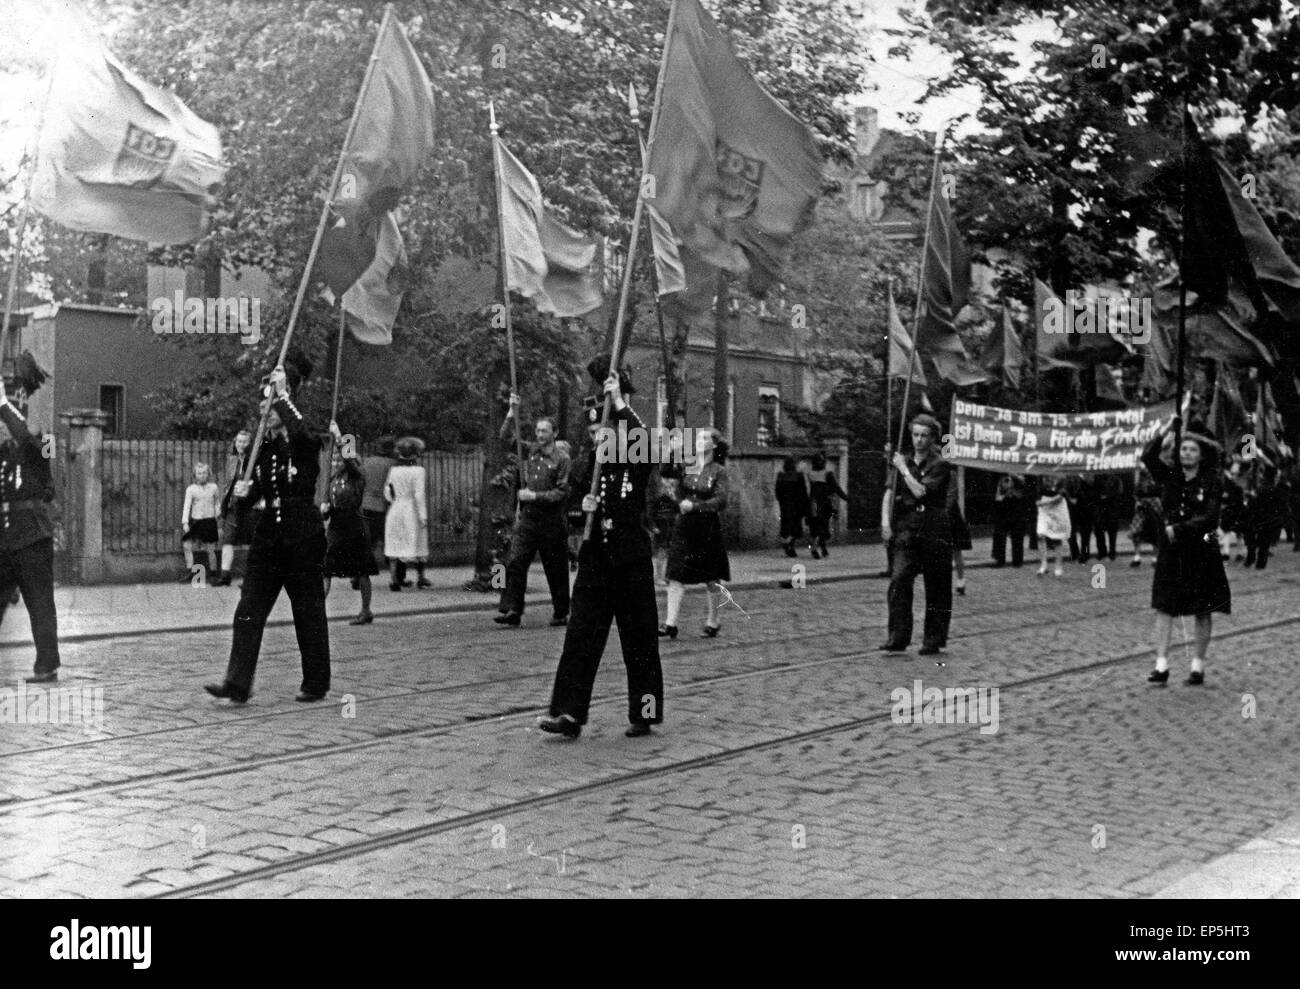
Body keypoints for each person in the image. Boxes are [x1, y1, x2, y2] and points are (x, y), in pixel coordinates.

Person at [539, 358, 663, 740]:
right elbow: (571, 501)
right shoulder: (593, 462)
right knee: (580, 636)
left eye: (602, 430)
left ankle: (644, 713)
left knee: (638, 637)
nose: (597, 438)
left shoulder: (636, 456)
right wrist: (583, 511)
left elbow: (644, 439)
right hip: (596, 557)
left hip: (630, 557)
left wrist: (620, 402)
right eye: (593, 432)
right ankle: (569, 714)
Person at [205, 361, 330, 704]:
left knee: (307, 610)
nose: (264, 411)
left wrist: (285, 395)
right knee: (248, 607)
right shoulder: (265, 448)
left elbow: (303, 436)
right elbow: (261, 491)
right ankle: (237, 683)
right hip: (269, 538)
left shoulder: (305, 441)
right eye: (262, 406)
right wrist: (247, 496)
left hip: (302, 535)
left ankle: (316, 681)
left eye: (269, 405)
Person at [1143, 419, 1230, 686]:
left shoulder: (1212, 480)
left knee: (1202, 609)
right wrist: (1167, 429)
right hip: (1172, 553)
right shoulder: (1170, 476)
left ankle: (1197, 667)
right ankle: (1161, 665)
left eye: (1192, 450)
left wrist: (1179, 529)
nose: (1187, 454)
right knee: (1164, 607)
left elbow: (1210, 517)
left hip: (1201, 551)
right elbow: (1148, 455)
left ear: (1201, 454)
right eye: (1183, 449)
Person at [0, 357, 60, 684]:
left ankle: (46, 665)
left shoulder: (41, 435)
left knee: (39, 604)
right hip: (4, 533)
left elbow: (26, 442)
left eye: (17, 392)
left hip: (32, 533)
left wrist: (4, 408)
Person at [494, 398, 571, 628]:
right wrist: (511, 411)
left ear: (554, 433)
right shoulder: (531, 452)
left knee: (555, 568)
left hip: (551, 520)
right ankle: (513, 609)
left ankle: (561, 612)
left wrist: (534, 496)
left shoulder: (562, 459)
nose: (539, 434)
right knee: (516, 561)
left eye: (544, 430)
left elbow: (562, 492)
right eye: (538, 430)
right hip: (528, 519)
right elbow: (505, 438)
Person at [880, 413, 952, 656]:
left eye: (924, 435)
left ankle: (933, 639)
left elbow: (921, 491)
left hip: (934, 529)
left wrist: (902, 469)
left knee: (937, 586)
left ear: (932, 438)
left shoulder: (940, 464)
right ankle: (897, 636)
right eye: (915, 434)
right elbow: (889, 492)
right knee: (899, 579)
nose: (919, 440)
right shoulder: (905, 460)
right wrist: (885, 524)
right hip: (907, 528)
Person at [659, 428, 731, 639]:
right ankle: (670, 623)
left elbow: (721, 500)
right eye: (698, 437)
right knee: (676, 572)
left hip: (706, 527)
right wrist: (669, 451)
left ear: (714, 445)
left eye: (705, 438)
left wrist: (696, 506)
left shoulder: (719, 471)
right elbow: (666, 472)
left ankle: (713, 620)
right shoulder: (688, 464)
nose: (699, 440)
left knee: (711, 576)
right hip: (684, 526)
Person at [322, 420, 378, 625]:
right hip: (337, 525)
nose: (337, 461)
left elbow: (350, 460)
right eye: (335, 459)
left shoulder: (357, 475)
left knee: (361, 570)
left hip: (354, 525)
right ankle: (318, 611)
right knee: (326, 568)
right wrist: (325, 509)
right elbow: (327, 500)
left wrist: (338, 435)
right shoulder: (332, 480)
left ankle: (366, 610)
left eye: (341, 458)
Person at [384, 437, 429, 591]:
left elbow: (387, 491)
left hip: (396, 508)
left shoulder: (394, 470)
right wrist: (423, 515)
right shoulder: (419, 471)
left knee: (394, 543)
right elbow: (419, 494)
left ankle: (393, 579)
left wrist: (393, 500)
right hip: (412, 510)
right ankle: (421, 577)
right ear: (415, 454)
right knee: (419, 543)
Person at [214, 429, 254, 587]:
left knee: (251, 542)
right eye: (238, 441)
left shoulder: (254, 460)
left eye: (244, 441)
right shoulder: (231, 459)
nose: (241, 444)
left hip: (250, 506)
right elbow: (227, 483)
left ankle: (250, 578)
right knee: (228, 540)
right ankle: (225, 575)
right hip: (233, 505)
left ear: (250, 444)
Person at [180, 462, 221, 583]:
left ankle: (213, 573)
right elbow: (187, 506)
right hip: (196, 520)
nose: (202, 476)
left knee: (211, 548)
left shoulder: (213, 487)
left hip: (209, 521)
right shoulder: (191, 489)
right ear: (195, 474)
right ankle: (190, 571)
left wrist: (218, 514)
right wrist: (185, 522)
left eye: (204, 473)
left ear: (208, 474)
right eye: (199, 473)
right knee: (187, 544)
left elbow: (217, 502)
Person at [359, 436, 395, 570]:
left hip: (366, 504)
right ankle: (397, 575)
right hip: (383, 506)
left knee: (368, 541)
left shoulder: (366, 462)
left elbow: (360, 482)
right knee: (390, 541)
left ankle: (359, 574)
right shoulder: (392, 464)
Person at [806, 451, 847, 559]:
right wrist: (846, 498)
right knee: (823, 527)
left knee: (816, 528)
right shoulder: (828, 474)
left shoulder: (810, 474)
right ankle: (818, 548)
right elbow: (836, 488)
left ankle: (821, 548)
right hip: (824, 504)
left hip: (813, 503)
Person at [774, 455, 810, 558]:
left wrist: (782, 501)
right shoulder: (799, 476)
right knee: (795, 526)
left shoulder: (781, 476)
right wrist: (805, 506)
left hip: (785, 505)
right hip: (796, 505)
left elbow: (777, 491)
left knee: (785, 525)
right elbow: (803, 492)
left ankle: (786, 542)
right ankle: (791, 546)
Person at [1129, 463, 1163, 567]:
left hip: (1155, 503)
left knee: (1156, 530)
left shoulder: (1157, 475)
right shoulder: (1139, 477)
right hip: (1142, 503)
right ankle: (1137, 556)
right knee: (1136, 531)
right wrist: (1138, 501)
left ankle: (1155, 558)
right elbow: (1135, 490)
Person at [1036, 476, 1070, 577]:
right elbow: (1037, 500)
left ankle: (1058, 566)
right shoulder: (1040, 480)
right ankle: (1043, 565)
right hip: (1044, 511)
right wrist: (1042, 503)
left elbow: (1059, 498)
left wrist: (1044, 503)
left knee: (1057, 538)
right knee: (1040, 535)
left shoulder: (1062, 480)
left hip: (1057, 510)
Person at [990, 473, 1026, 567]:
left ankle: (1017, 561)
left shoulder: (1018, 476)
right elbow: (998, 497)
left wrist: (1014, 478)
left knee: (1017, 537)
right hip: (1003, 509)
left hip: (1016, 509)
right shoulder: (1002, 478)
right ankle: (1000, 560)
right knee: (999, 536)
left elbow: (1021, 490)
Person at [947, 477, 972, 595]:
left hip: (951, 517)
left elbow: (951, 497)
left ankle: (961, 581)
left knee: (956, 551)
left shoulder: (951, 474)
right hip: (937, 516)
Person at [1094, 473, 1123, 561]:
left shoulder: (1116, 480)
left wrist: (1106, 497)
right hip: (1102, 511)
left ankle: (1111, 553)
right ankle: (1103, 552)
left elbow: (1119, 493)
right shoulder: (1099, 478)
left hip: (1111, 511)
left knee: (1112, 534)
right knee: (1100, 533)